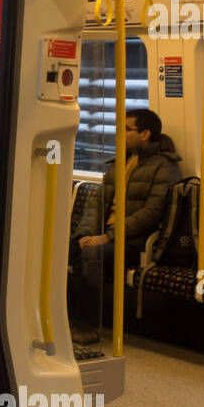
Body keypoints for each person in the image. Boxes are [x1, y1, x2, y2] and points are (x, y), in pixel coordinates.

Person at [69, 108, 181, 343]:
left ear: (145, 134)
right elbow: (97, 204)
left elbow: (151, 213)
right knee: (58, 250)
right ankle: (56, 318)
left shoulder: (164, 167)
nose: (120, 135)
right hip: (102, 235)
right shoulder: (118, 163)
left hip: (134, 242)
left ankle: (86, 327)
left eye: (126, 129)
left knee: (92, 256)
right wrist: (85, 233)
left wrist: (108, 236)